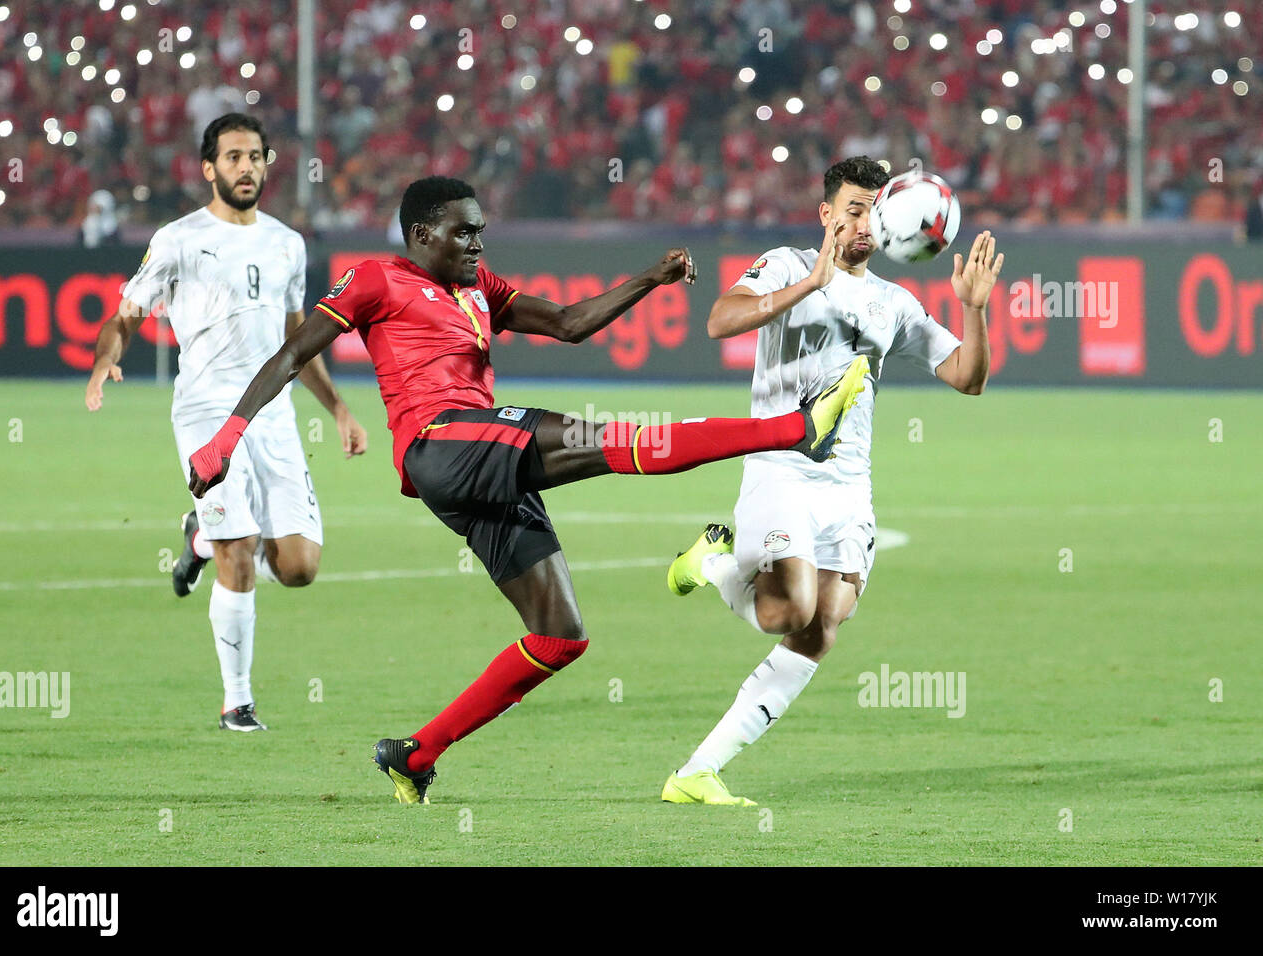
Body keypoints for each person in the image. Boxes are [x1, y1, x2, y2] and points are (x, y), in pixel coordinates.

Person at [185, 175, 868, 803]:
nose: (478, 243)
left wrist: (649, 279)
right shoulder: (375, 279)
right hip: (441, 442)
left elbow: (570, 324)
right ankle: (794, 429)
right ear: (423, 235)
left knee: (559, 636)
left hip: (478, 462)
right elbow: (292, 352)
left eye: (480, 230)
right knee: (615, 442)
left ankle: (417, 754)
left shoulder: (482, 290)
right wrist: (226, 436)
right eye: (464, 232)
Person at [662, 156, 1003, 805]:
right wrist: (811, 281)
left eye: (874, 212)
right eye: (852, 209)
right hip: (780, 468)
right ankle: (712, 563)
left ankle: (696, 773)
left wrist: (974, 310)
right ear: (825, 214)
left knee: (824, 625)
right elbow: (721, 320)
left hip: (848, 488)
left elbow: (970, 376)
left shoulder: (893, 302)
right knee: (786, 610)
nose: (864, 224)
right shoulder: (786, 265)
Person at [85, 113, 367, 732]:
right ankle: (236, 701)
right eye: (234, 157)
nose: (247, 167)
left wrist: (340, 408)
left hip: (274, 418)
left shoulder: (288, 244)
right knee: (238, 550)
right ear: (209, 168)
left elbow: (298, 341)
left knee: (298, 569)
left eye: (256, 156)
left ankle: (197, 540)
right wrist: (107, 358)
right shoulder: (178, 239)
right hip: (207, 414)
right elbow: (127, 314)